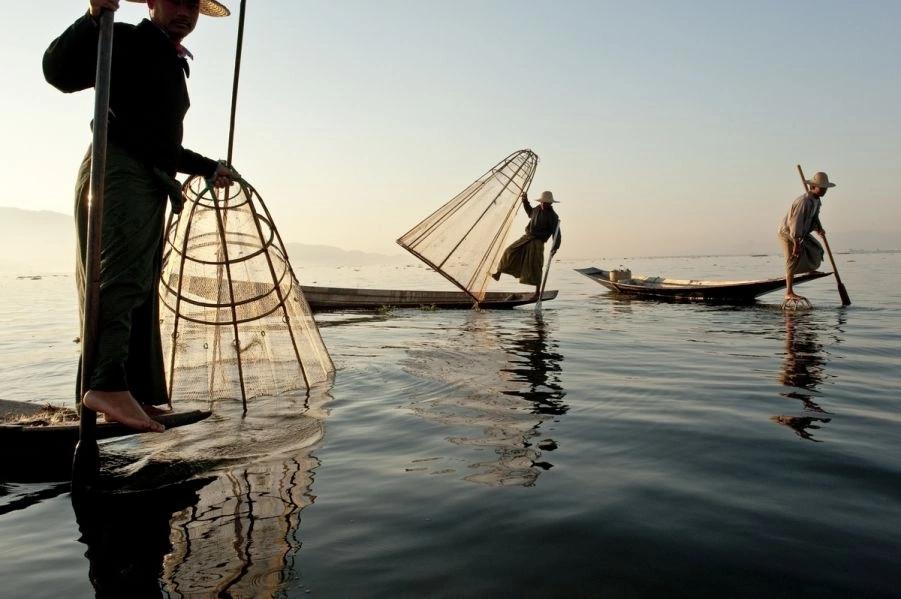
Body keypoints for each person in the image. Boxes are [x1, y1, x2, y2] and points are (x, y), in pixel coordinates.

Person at [43, 0, 236, 432]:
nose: (185, 11)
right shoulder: (125, 38)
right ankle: (105, 385)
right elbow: (58, 72)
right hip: (120, 172)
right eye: (175, 0)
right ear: (151, 3)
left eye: (193, 5)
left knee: (140, 287)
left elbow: (154, 137)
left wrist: (207, 166)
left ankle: (129, 390)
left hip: (148, 179)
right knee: (122, 279)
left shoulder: (168, 57)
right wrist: (94, 17)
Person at [492, 190, 562, 298]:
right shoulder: (537, 209)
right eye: (543, 202)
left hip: (538, 241)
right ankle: (498, 273)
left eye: (546, 203)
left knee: (536, 266)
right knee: (510, 251)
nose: (543, 204)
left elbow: (557, 234)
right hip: (527, 237)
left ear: (550, 204)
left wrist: (554, 248)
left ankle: (537, 292)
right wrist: (524, 200)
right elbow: (529, 212)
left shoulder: (553, 216)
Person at [778, 171, 834, 302]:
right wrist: (796, 243)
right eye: (822, 187)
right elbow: (795, 223)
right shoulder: (804, 202)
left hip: (802, 232)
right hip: (788, 232)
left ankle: (809, 269)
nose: (825, 190)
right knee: (793, 257)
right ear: (813, 187)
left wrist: (819, 228)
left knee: (816, 249)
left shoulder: (816, 201)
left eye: (826, 187)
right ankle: (789, 292)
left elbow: (814, 217)